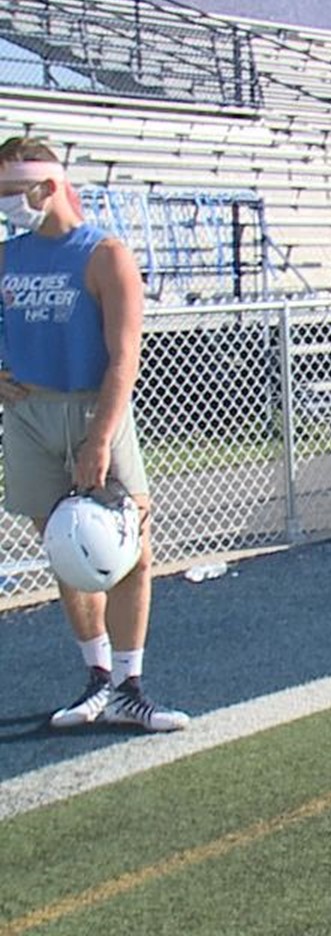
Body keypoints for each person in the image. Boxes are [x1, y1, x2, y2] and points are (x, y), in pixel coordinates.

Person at [0, 137, 188, 733]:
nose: (7, 205)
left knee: (130, 547)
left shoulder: (104, 254)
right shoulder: (8, 256)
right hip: (30, 415)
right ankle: (97, 678)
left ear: (46, 185)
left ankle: (132, 685)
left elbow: (122, 358)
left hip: (94, 410)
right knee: (65, 548)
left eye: (12, 192)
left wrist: (100, 438)